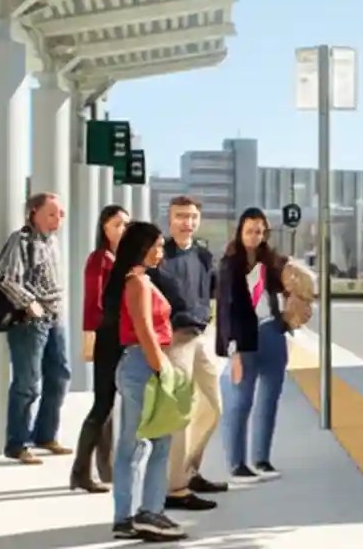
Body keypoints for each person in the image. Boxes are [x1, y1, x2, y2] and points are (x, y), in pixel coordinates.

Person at [107, 221, 187, 541]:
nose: (160, 252)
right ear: (141, 247)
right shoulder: (138, 283)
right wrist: (163, 370)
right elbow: (145, 331)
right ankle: (148, 513)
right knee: (152, 442)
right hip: (144, 365)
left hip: (139, 364)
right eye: (156, 246)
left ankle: (127, 517)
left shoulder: (139, 279)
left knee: (135, 443)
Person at [149, 195, 227, 510]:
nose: (187, 222)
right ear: (169, 220)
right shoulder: (158, 257)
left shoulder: (204, 256)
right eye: (181, 216)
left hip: (201, 336)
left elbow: (214, 292)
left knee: (213, 406)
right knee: (179, 413)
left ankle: (189, 470)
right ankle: (175, 488)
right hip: (173, 340)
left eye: (192, 216)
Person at [0, 192, 71, 465]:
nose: (57, 219)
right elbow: (4, 276)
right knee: (27, 383)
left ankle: (45, 435)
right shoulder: (22, 240)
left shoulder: (54, 242)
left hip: (55, 318)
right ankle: (18, 443)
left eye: (60, 214)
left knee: (60, 376)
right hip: (30, 321)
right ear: (34, 213)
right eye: (51, 214)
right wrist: (31, 304)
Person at [216, 208, 290, 479]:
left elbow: (289, 289)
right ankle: (237, 463)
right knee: (240, 402)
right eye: (249, 231)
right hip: (244, 338)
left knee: (269, 401)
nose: (254, 236)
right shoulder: (229, 265)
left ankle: (262, 459)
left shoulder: (272, 262)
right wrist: (232, 350)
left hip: (271, 333)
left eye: (259, 232)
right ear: (240, 232)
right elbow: (225, 309)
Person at [69, 204, 129, 492]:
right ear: (104, 228)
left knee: (109, 405)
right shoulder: (100, 259)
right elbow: (92, 302)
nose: (122, 230)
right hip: (106, 337)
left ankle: (106, 468)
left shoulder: (122, 259)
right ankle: (81, 472)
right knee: (102, 405)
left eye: (126, 225)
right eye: (117, 224)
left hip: (120, 337)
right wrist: (90, 337)